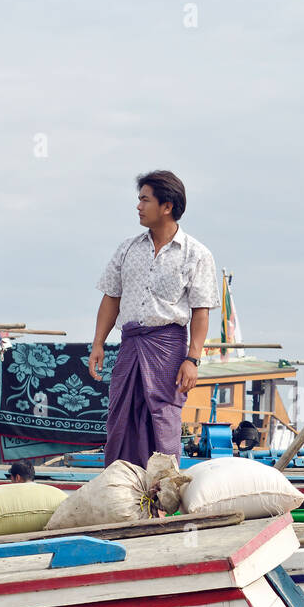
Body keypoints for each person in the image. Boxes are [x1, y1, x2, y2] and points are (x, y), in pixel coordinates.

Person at [88, 170, 220, 468]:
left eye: (145, 200)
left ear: (167, 206)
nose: (138, 206)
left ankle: (163, 496)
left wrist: (193, 359)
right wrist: (98, 343)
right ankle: (123, 493)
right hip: (130, 345)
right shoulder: (127, 248)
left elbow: (201, 311)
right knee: (121, 417)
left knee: (164, 419)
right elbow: (111, 298)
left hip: (168, 348)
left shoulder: (196, 254)